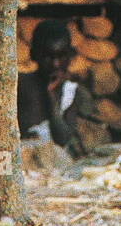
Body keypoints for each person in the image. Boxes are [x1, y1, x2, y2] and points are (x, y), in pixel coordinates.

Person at [16, 20, 92, 158]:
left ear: (70, 56)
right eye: (48, 57)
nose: (55, 64)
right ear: (34, 55)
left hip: (57, 166)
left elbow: (62, 139)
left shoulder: (72, 92)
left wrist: (50, 97)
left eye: (61, 56)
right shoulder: (21, 84)